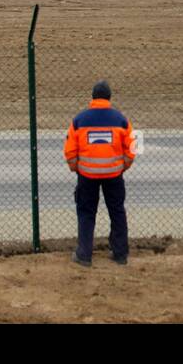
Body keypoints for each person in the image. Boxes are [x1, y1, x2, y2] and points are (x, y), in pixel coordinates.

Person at [64, 80, 136, 266]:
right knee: (117, 212)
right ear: (109, 98)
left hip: (87, 176)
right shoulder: (121, 120)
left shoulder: (79, 120)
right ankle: (120, 254)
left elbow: (70, 151)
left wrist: (77, 168)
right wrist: (122, 167)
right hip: (114, 175)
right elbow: (132, 148)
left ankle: (84, 255)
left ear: (93, 98)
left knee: (86, 213)